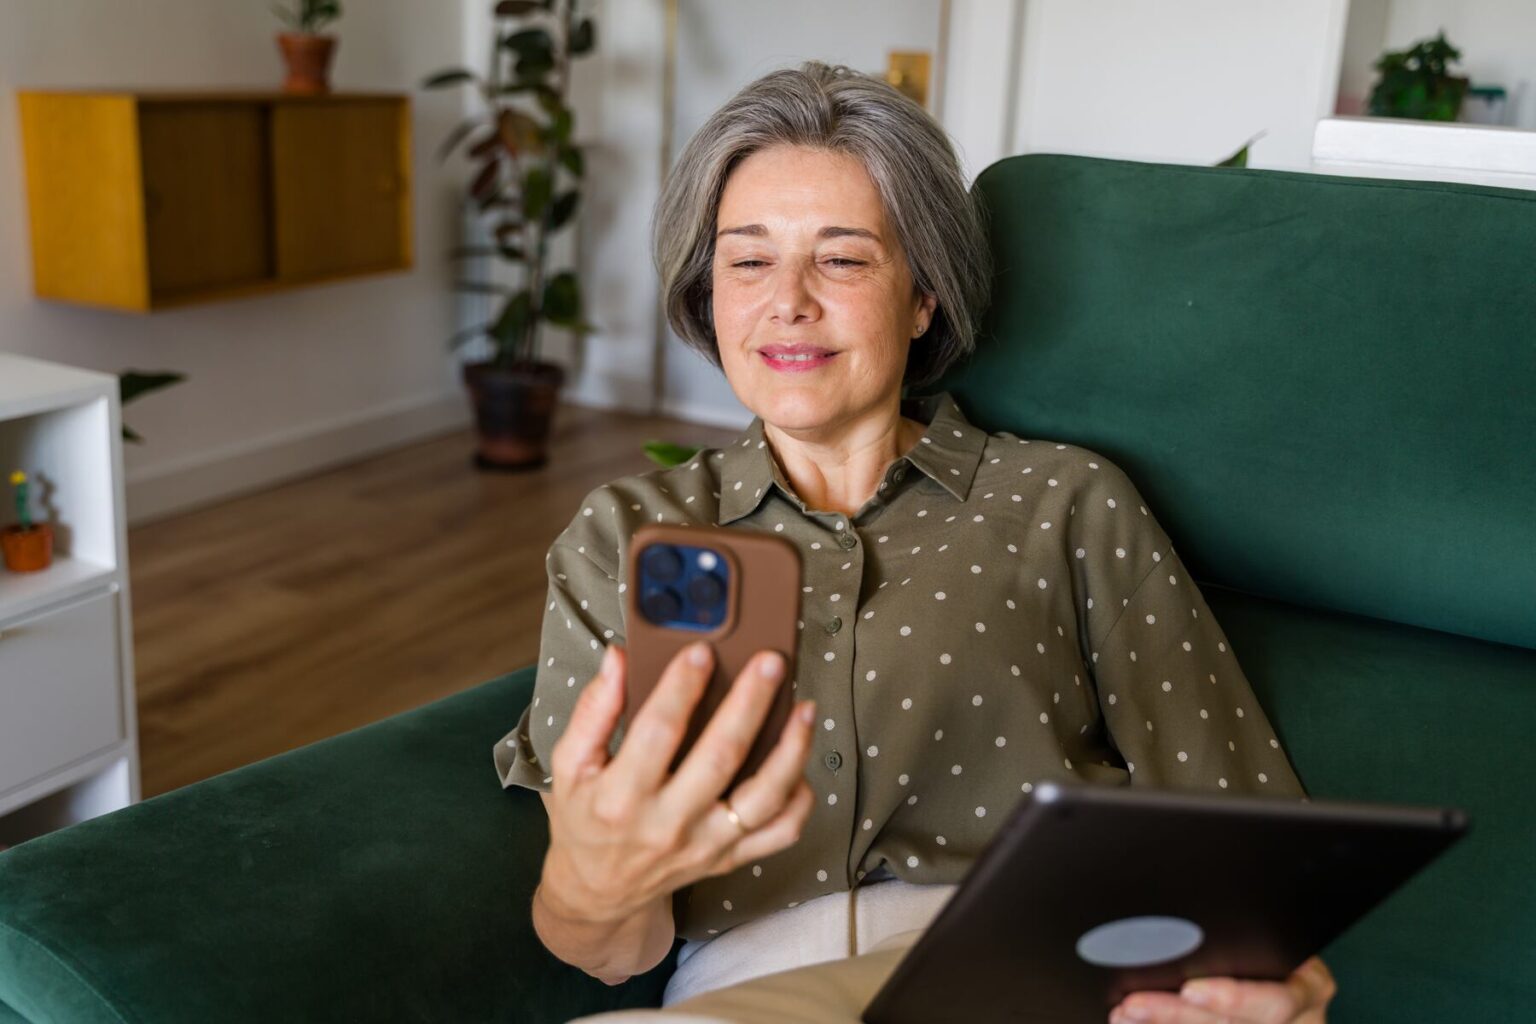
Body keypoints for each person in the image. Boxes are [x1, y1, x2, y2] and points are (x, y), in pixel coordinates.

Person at [492, 60, 1338, 1024]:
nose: (788, 300)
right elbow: (612, 952)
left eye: (843, 260)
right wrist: (592, 890)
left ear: (924, 296)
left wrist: (1275, 975)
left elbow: (1235, 820)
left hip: (1038, 971)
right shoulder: (627, 537)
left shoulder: (1064, 500)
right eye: (748, 261)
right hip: (750, 998)